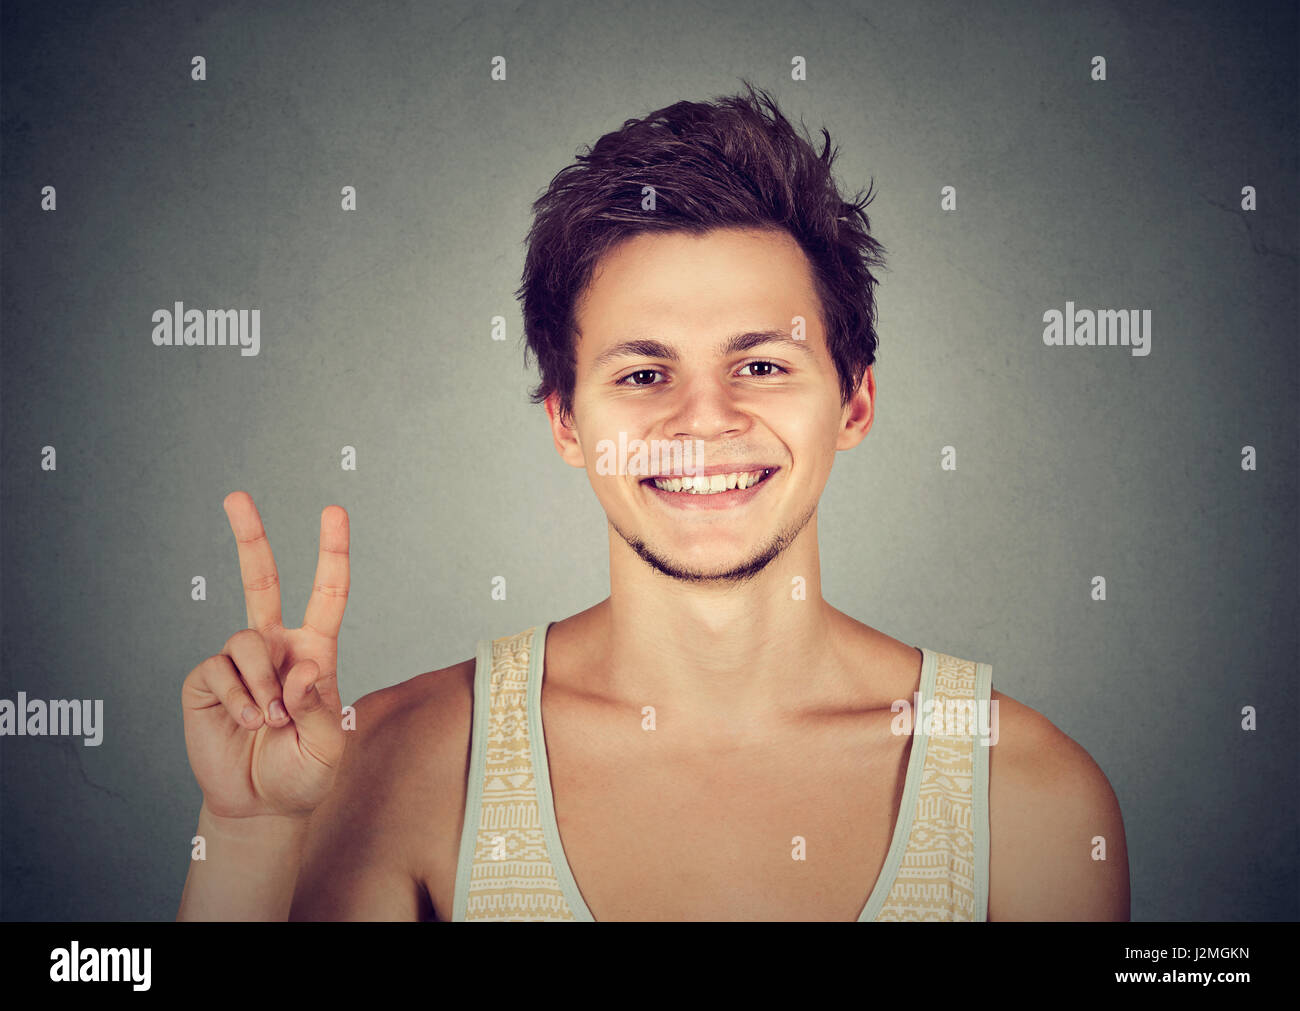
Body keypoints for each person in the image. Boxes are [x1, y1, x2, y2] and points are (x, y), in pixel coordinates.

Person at [177, 82, 1129, 921]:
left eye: (761, 363)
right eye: (642, 373)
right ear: (565, 420)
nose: (703, 422)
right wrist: (248, 831)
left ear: (855, 400)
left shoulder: (1027, 791)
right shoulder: (389, 765)